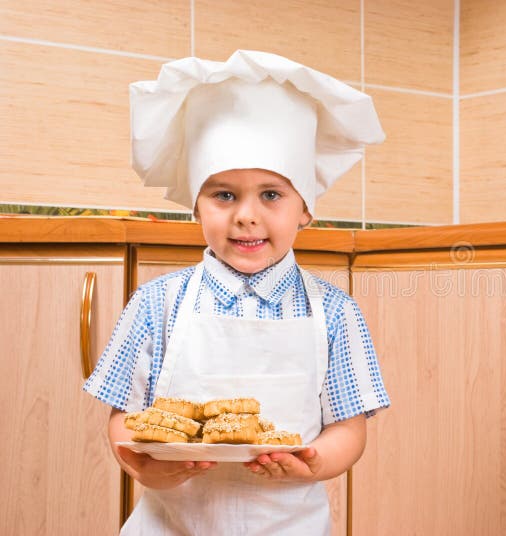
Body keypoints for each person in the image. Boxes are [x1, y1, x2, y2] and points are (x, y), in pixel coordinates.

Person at [83, 50, 390, 535]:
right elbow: (124, 417)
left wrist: (313, 461)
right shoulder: (156, 303)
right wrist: (144, 468)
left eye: (271, 195)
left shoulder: (336, 312)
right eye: (224, 195)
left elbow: (349, 428)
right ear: (196, 206)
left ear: (305, 209)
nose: (246, 216)